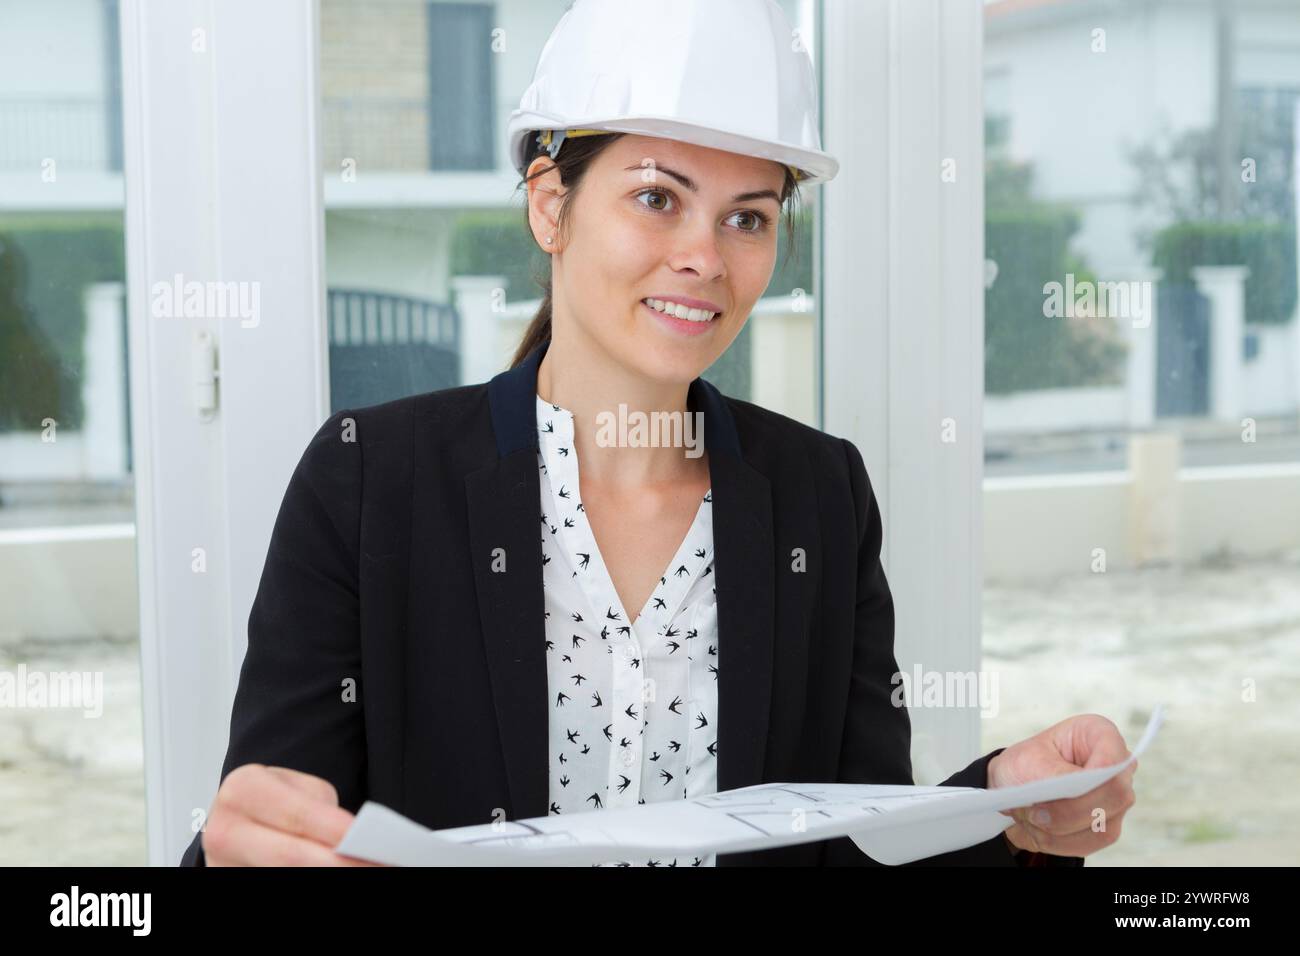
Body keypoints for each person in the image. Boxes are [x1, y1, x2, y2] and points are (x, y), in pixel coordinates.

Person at [182, 0, 1136, 867]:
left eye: (748, 218)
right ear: (551, 203)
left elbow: (858, 847)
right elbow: (268, 831)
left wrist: (1006, 810)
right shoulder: (368, 484)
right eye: (657, 197)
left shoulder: (819, 495)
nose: (704, 258)